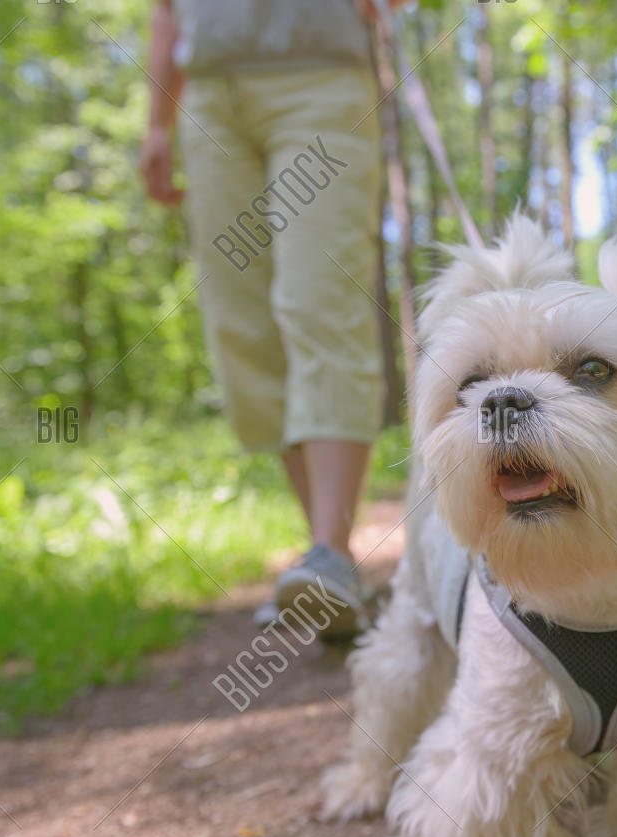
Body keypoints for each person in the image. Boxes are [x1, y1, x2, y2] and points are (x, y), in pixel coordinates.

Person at [139, 0, 395, 638]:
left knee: (319, 303)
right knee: (245, 330)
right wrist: (157, 125)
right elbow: (166, 12)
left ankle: (331, 555)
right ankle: (325, 563)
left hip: (321, 78)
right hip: (211, 99)